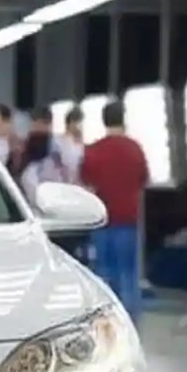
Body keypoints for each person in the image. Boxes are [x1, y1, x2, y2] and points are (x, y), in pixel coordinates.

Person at [80, 101, 149, 321]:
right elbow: (143, 179)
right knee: (129, 275)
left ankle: (108, 325)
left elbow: (85, 180)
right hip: (128, 220)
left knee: (103, 275)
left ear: (103, 120)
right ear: (124, 118)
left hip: (102, 220)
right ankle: (131, 326)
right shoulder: (135, 148)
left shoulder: (94, 150)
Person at [56, 107, 86, 184]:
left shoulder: (80, 145)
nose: (81, 127)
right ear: (71, 123)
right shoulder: (59, 142)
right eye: (79, 123)